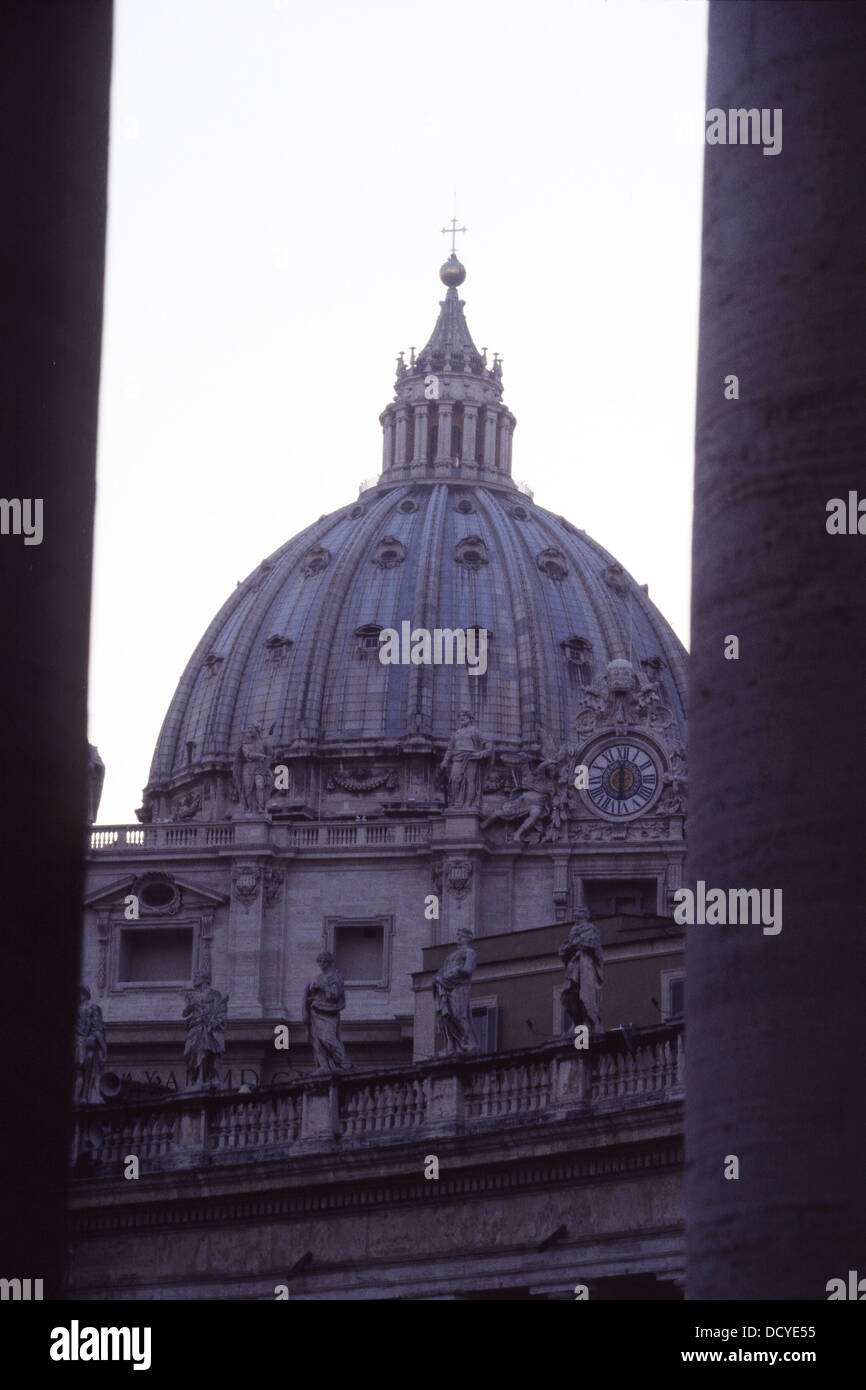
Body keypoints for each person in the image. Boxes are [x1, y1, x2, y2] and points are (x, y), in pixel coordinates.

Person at [304, 951, 354, 1072]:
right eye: (319, 961)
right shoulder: (319, 977)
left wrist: (321, 986)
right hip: (316, 1012)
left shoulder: (336, 976)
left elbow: (335, 994)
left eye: (323, 961)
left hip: (328, 1013)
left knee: (328, 1038)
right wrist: (309, 994)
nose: (320, 964)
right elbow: (313, 995)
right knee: (317, 1041)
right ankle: (324, 1066)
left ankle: (345, 1063)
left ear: (329, 962)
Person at [433, 928, 478, 1054]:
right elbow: (443, 970)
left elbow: (468, 970)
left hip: (460, 986)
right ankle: (451, 1046)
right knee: (447, 1017)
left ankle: (470, 1043)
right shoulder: (450, 957)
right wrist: (438, 977)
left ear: (469, 938)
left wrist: (458, 971)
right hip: (446, 986)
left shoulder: (470, 952)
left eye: (462, 936)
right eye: (458, 935)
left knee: (459, 1015)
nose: (459, 937)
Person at [183, 971, 228, 1089]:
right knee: (190, 1051)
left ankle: (202, 1079)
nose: (195, 979)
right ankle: (196, 1076)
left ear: (204, 979)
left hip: (209, 1028)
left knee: (205, 1051)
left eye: (197, 977)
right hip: (195, 1027)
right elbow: (185, 1013)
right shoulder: (193, 996)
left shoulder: (215, 994)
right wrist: (189, 1004)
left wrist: (213, 1022)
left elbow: (221, 1011)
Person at [441, 710, 490, 808]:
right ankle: (456, 802)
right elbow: (450, 749)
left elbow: (487, 745)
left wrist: (482, 753)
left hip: (471, 758)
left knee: (470, 781)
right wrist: (445, 761)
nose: (462, 718)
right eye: (460, 717)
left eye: (464, 716)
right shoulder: (456, 733)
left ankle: (468, 803)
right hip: (457, 758)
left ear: (470, 718)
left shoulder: (475, 731)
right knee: (455, 780)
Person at [74, 986, 107, 1103]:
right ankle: (83, 1097)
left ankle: (77, 1098)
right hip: (86, 1046)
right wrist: (104, 1049)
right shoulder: (93, 1008)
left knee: (79, 1074)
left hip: (78, 1046)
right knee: (86, 1073)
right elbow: (98, 1030)